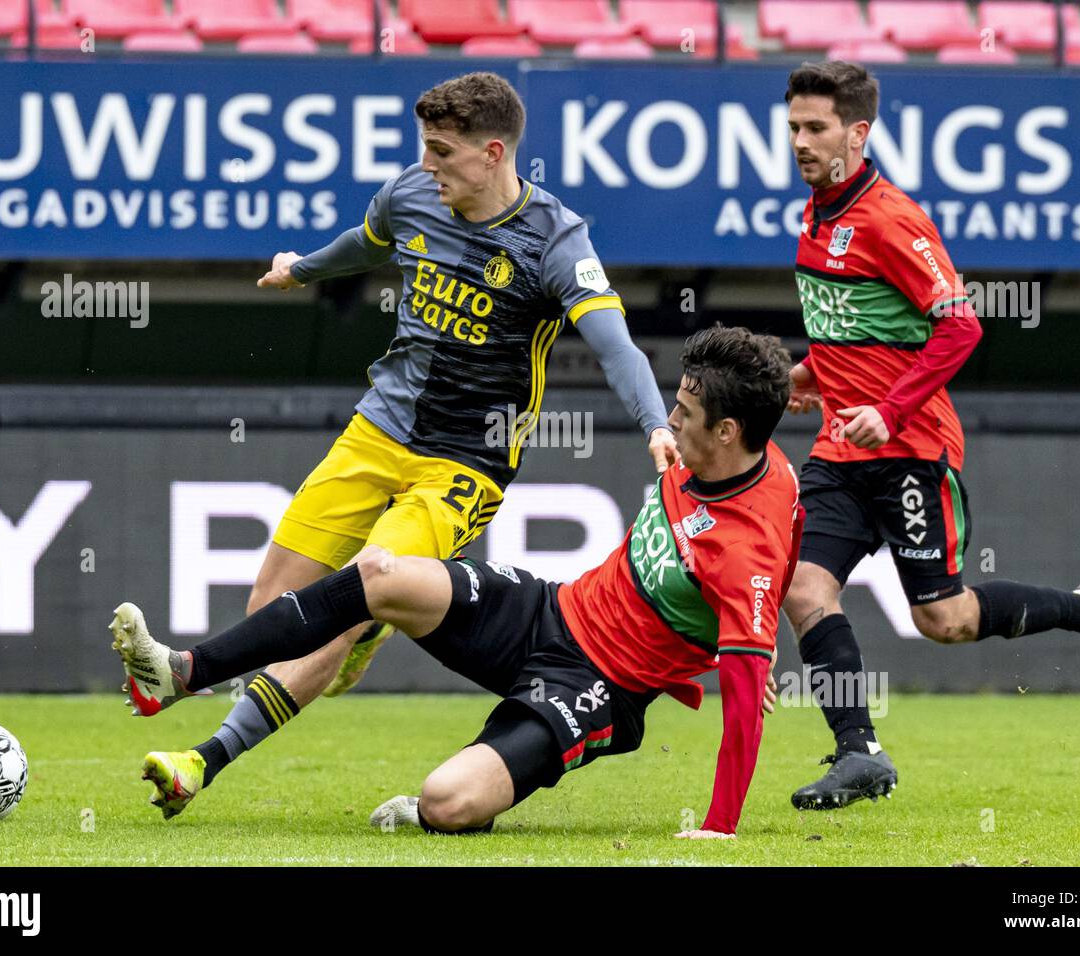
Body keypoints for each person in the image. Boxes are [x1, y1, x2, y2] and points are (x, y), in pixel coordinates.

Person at [118, 72, 678, 817]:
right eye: (423, 148)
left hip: (463, 464)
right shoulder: (413, 195)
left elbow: (614, 344)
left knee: (350, 595)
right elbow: (367, 241)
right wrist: (302, 269)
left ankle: (202, 759)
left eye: (442, 151)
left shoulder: (554, 238)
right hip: (377, 429)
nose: (428, 164)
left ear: (492, 152)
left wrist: (655, 423)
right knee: (274, 608)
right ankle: (349, 643)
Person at [111, 327, 801, 837]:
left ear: (729, 431)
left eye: (683, 414)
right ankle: (181, 672)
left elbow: (743, 698)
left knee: (445, 802)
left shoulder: (746, 553)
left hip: (596, 690)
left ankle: (441, 809)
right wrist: (732, 637)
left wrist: (718, 826)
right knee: (377, 573)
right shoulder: (737, 466)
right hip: (549, 609)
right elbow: (780, 557)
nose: (669, 421)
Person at [781, 61, 1080, 810]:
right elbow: (859, 328)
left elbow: (959, 325)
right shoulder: (818, 218)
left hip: (910, 449)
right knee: (803, 587)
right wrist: (812, 372)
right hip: (840, 449)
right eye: (792, 127)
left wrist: (888, 409)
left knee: (943, 620)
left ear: (858, 133)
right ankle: (861, 753)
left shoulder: (892, 218)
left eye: (815, 127)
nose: (799, 141)